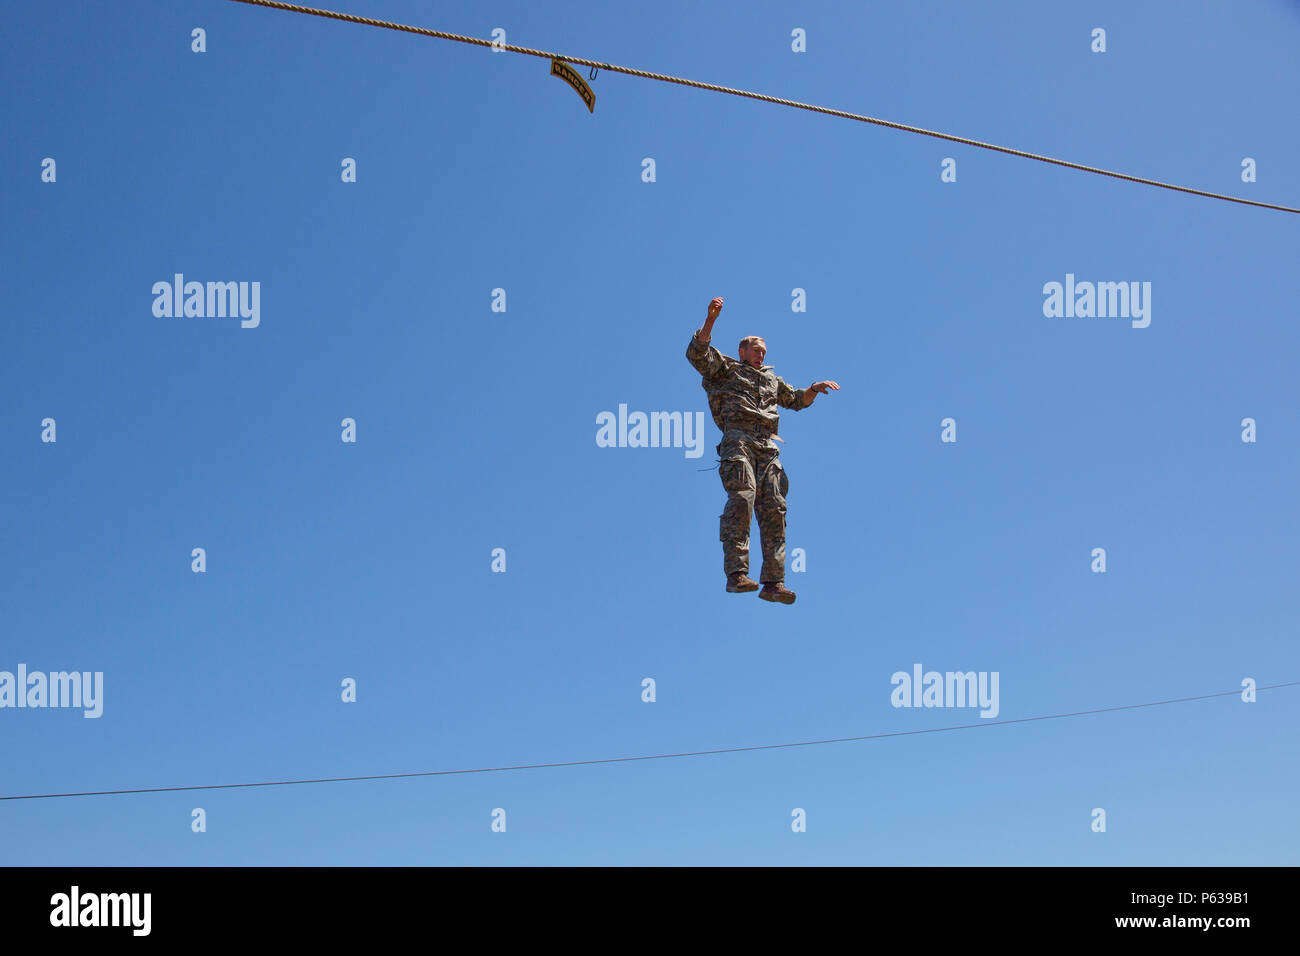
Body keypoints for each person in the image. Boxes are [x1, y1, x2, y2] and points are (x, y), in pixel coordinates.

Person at [686, 296, 839, 604]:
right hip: (739, 440)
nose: (760, 355)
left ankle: (774, 582)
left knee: (775, 509)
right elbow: (698, 354)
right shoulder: (726, 369)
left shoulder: (770, 379)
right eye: (756, 350)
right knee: (743, 496)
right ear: (742, 351)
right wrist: (711, 321)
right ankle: (736, 574)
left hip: (768, 447)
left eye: (764, 352)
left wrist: (812, 390)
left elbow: (795, 400)